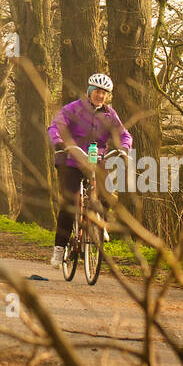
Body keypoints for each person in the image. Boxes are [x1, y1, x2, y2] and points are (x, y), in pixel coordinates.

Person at [46, 73, 133, 270]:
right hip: (71, 159)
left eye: (104, 93)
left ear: (107, 96)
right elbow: (55, 127)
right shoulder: (73, 109)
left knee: (106, 192)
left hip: (96, 160)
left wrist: (124, 147)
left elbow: (124, 134)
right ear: (89, 91)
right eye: (97, 91)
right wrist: (58, 142)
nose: (100, 96)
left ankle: (98, 225)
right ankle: (59, 248)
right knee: (70, 201)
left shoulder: (110, 115)